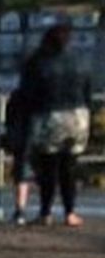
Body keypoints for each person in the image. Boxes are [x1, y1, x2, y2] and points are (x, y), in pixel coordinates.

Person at [22, 23, 92, 227]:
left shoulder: (38, 61)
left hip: (50, 116)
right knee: (69, 167)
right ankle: (70, 212)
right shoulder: (80, 60)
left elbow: (28, 93)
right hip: (78, 116)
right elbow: (88, 90)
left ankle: (46, 212)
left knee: (48, 168)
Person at [4, 60, 36, 225]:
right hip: (39, 134)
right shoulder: (43, 92)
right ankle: (45, 211)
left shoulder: (17, 95)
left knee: (21, 173)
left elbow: (9, 118)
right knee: (48, 171)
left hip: (21, 136)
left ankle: (20, 211)